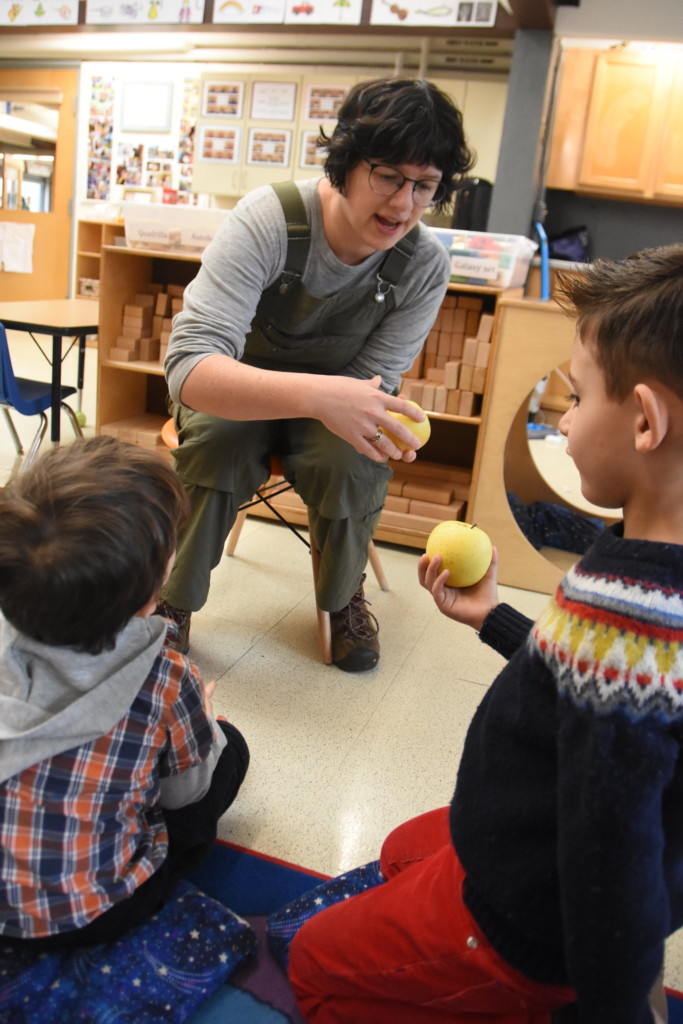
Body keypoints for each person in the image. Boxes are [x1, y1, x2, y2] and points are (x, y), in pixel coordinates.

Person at [268, 245, 683, 1022]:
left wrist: (620, 1006)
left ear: (643, 421)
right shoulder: (643, 601)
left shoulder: (623, 613)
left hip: (523, 928)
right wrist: (489, 616)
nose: (564, 417)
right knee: (401, 849)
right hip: (532, 855)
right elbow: (609, 688)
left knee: (314, 961)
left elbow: (611, 867)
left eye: (577, 396)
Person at [159, 76, 474, 673]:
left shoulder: (423, 264)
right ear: (347, 162)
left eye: (425, 186)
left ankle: (342, 597)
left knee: (354, 458)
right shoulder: (269, 219)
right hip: (233, 391)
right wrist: (316, 394)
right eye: (389, 177)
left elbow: (372, 384)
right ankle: (172, 600)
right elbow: (191, 368)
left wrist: (351, 412)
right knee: (219, 443)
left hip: (334, 405)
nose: (404, 204)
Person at [0, 435, 249, 949]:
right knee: (228, 750)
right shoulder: (166, 678)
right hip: (88, 914)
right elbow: (187, 793)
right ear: (152, 591)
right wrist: (197, 711)